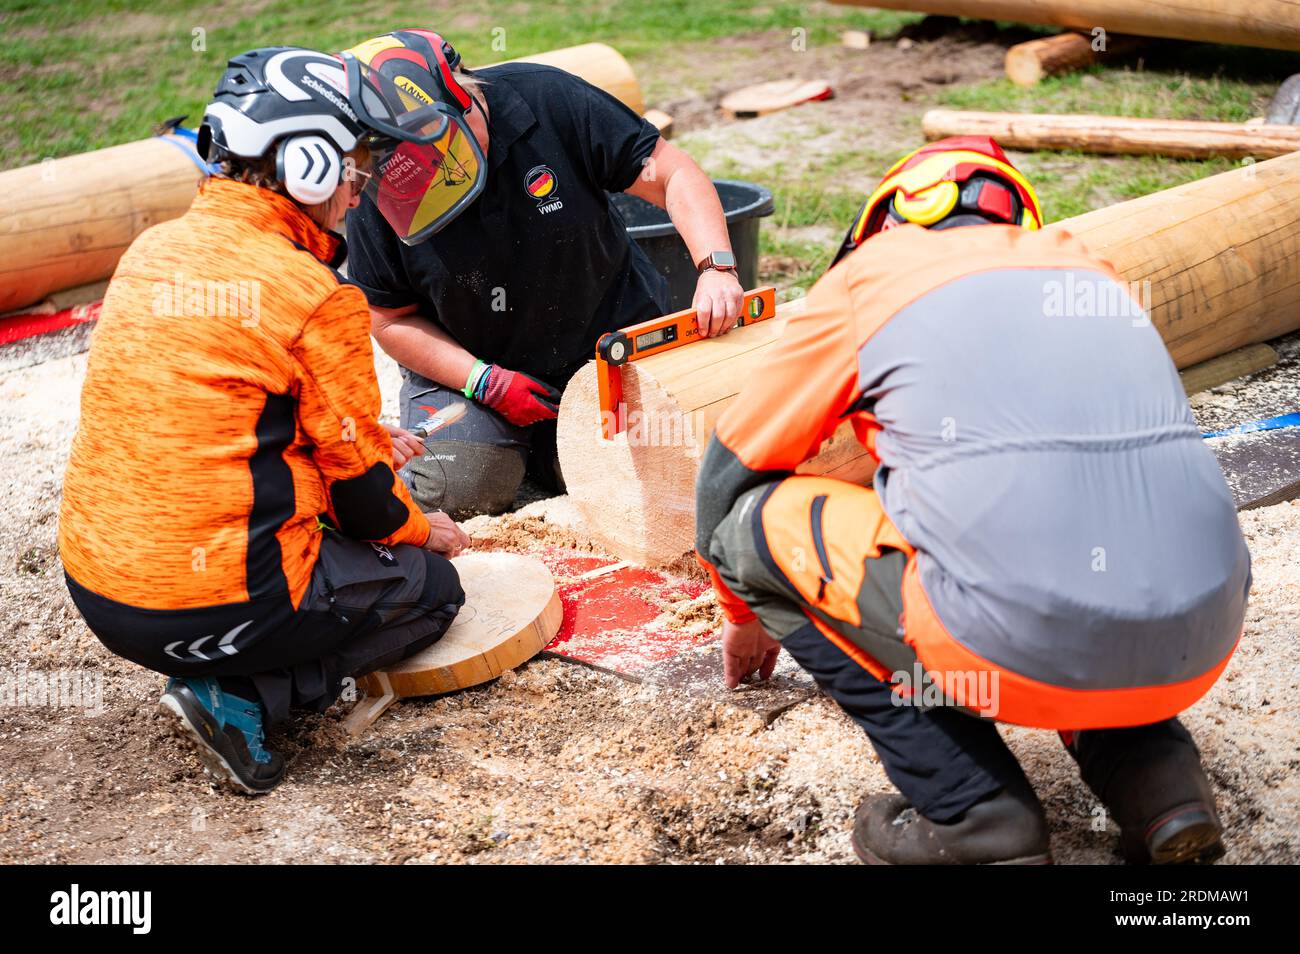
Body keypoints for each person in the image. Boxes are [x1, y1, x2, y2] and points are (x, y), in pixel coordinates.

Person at [694, 137, 1251, 865]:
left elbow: (728, 475)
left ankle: (975, 814)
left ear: (886, 224)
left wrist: (742, 615)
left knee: (748, 532)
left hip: (1019, 632)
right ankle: (1163, 789)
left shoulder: (872, 278)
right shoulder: (1092, 271)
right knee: (1089, 546)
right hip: (1202, 630)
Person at [58, 46, 471, 795]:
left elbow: (229, 423)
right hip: (198, 606)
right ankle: (244, 693)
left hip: (100, 590)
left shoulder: (153, 249)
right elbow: (366, 503)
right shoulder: (312, 292)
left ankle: (226, 665)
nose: (358, 191)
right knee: (431, 589)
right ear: (308, 164)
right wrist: (421, 529)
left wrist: (365, 443)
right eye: (355, 167)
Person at [342, 28, 746, 517]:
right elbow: (387, 318)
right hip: (473, 367)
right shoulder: (378, 181)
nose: (429, 181)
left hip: (605, 339)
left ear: (463, 102)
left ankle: (543, 449)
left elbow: (673, 174)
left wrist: (716, 267)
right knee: (462, 489)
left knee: (644, 463)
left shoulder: (549, 99)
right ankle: (510, 441)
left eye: (441, 162)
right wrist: (483, 381)